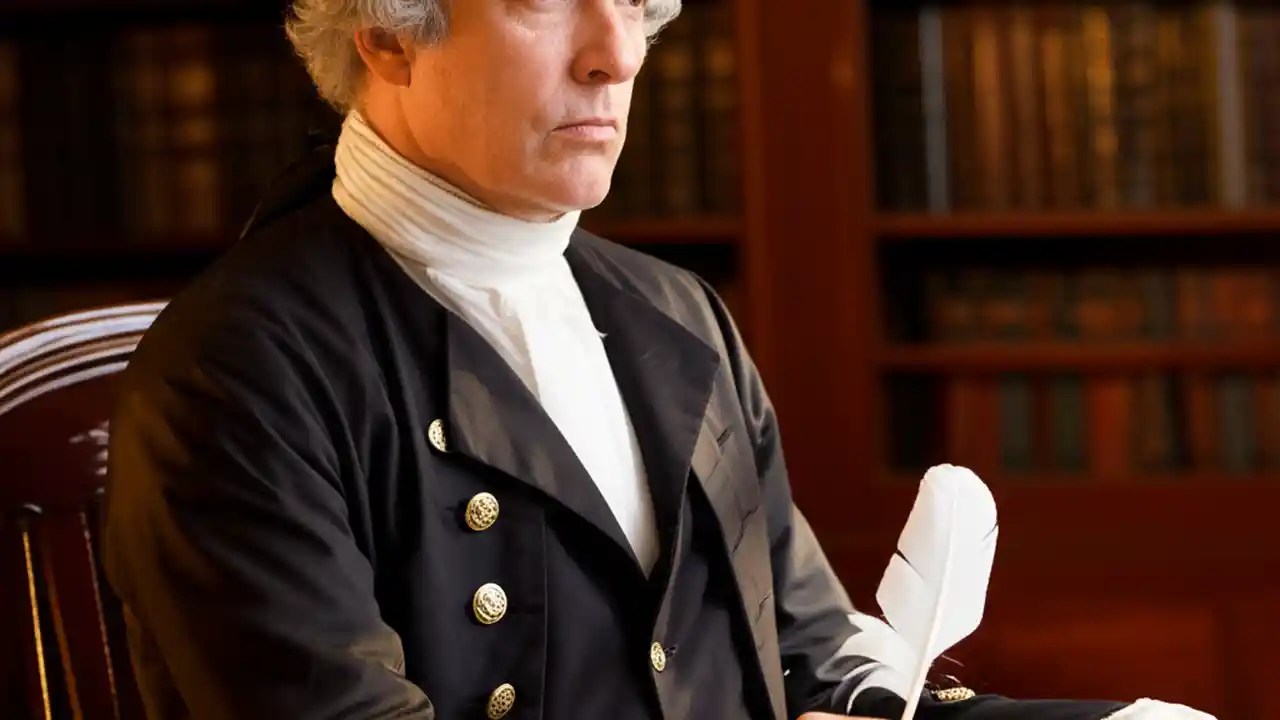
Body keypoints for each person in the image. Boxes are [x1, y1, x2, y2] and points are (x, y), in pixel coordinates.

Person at [101, 1, 1215, 719]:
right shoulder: (239, 371)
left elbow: (815, 660)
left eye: (634, 0)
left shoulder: (672, 313)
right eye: (546, 1)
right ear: (388, 30)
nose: (618, 53)